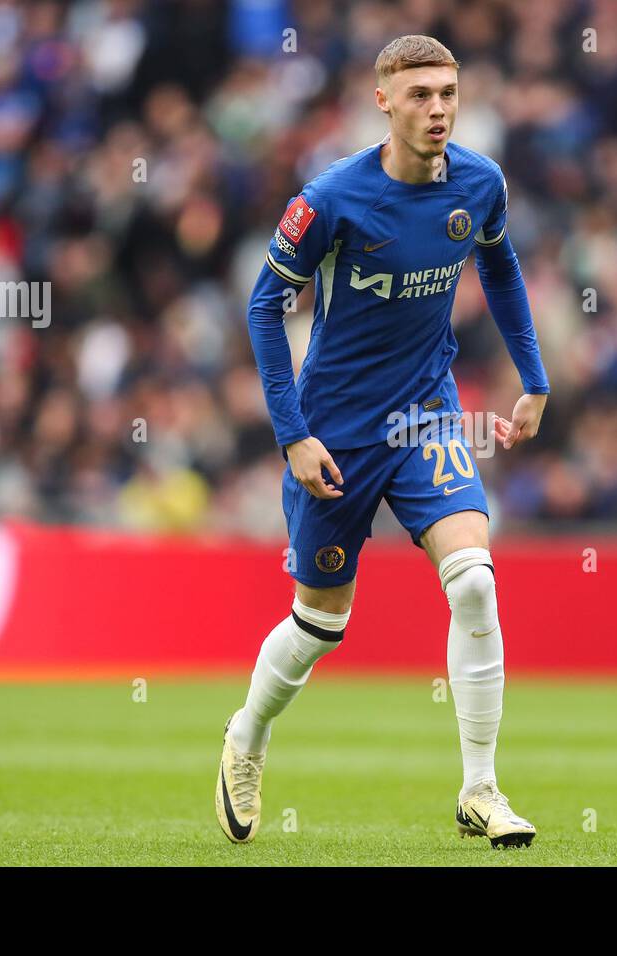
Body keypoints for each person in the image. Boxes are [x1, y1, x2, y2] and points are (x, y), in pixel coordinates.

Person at [217, 34, 550, 848]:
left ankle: (481, 789)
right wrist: (293, 436)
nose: (438, 109)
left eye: (448, 92)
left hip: (426, 413)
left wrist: (532, 376)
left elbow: (499, 268)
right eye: (420, 95)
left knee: (474, 580)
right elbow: (265, 307)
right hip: (335, 430)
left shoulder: (481, 182)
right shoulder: (330, 199)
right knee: (321, 624)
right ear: (383, 102)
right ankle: (247, 735)